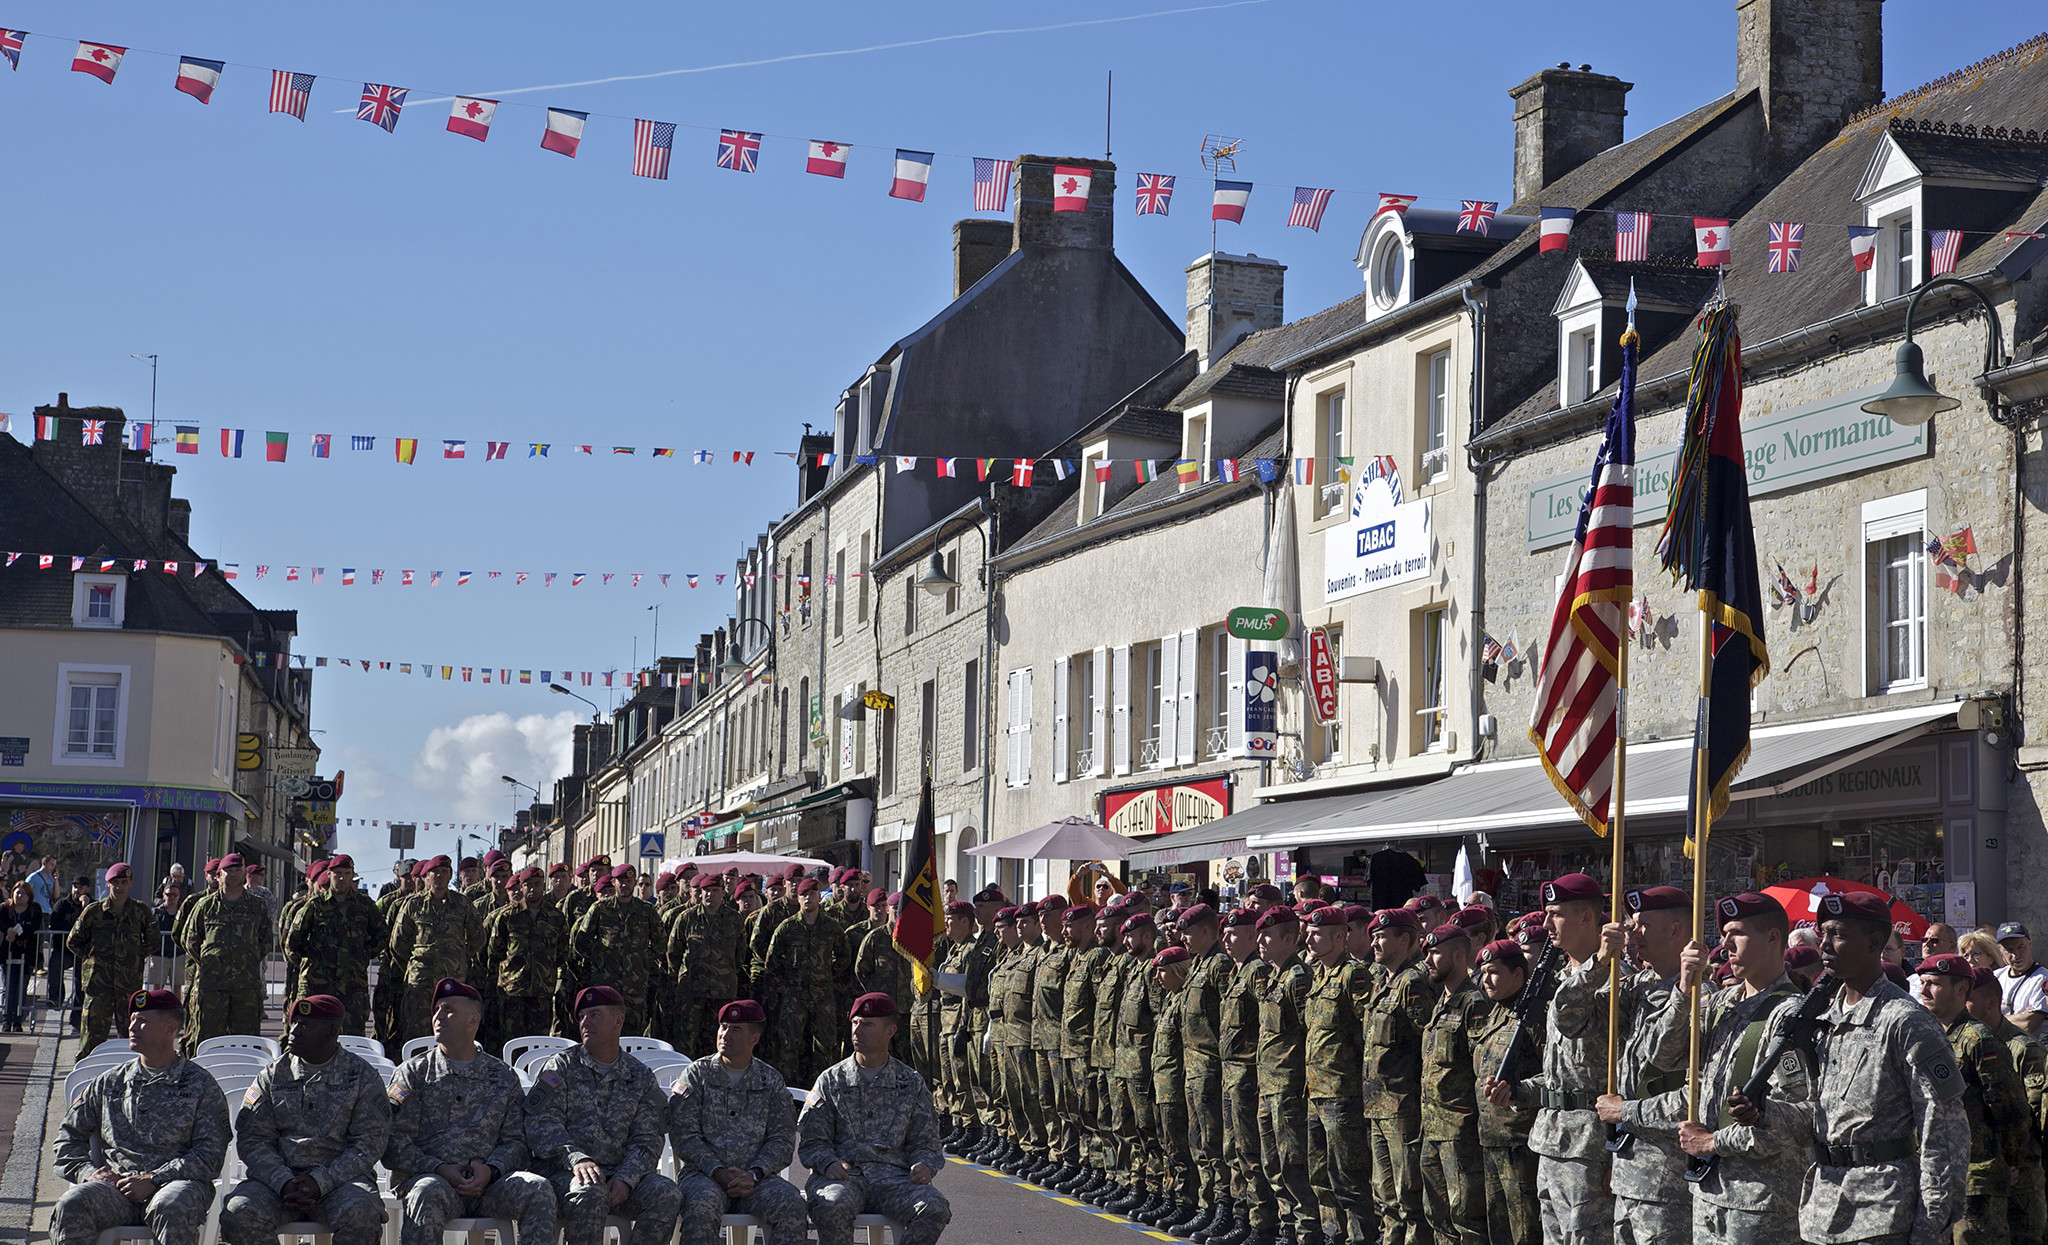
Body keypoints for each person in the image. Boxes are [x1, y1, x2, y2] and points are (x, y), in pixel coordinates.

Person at [1800, 891, 1969, 1245]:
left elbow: (1944, 1133)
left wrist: (1931, 1227)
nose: (1825, 946)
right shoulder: (1826, 1018)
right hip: (1823, 1210)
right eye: (1823, 934)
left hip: (1881, 1214)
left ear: (1875, 942)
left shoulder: (1907, 1021)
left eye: (1838, 934)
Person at [1661, 893, 1811, 1245]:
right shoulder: (1718, 1003)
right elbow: (1663, 1056)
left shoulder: (1792, 1014)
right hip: (1708, 1193)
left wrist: (1714, 1141)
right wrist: (1683, 990)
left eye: (1737, 933)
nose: (1724, 944)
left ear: (1773, 937)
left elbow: (1796, 1118)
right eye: (1724, 933)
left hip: (1761, 1202)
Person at [1485, 872, 1612, 1245]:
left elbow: (1626, 1074)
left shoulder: (1615, 981)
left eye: (1555, 913)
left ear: (1586, 917)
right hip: (1551, 1140)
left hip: (1592, 1146)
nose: (1545, 923)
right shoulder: (1556, 979)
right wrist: (1519, 1090)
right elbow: (1564, 1072)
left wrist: (1616, 1152)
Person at [384, 978, 557, 1245]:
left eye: (449, 1009)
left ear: (473, 1020)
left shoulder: (502, 1077)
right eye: (437, 1009)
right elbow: (392, 1141)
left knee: (538, 1188)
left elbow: (518, 1142)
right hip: (434, 1182)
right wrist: (439, 1168)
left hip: (490, 1186)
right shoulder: (412, 1074)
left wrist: (491, 1170)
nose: (439, 1016)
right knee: (425, 1191)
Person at [50, 989, 231, 1245]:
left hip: (176, 1185)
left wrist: (155, 1178)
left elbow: (210, 1155)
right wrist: (88, 1173)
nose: (132, 1027)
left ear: (170, 1028)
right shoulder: (110, 1082)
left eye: (143, 1021)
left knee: (172, 1206)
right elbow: (67, 1140)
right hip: (117, 1189)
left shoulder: (201, 1085)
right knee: (72, 1204)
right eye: (132, 1019)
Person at [220, 995, 392, 1245]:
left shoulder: (361, 1076)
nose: (294, 1032)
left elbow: (369, 1144)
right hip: (278, 1183)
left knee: (363, 1213)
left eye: (305, 1025)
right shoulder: (273, 1075)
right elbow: (253, 1139)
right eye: (294, 1023)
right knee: (239, 1212)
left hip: (341, 1182)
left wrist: (319, 1181)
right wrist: (283, 1181)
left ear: (332, 1031)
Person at [525, 986, 682, 1245]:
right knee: (590, 1191)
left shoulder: (640, 1077)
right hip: (563, 1174)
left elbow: (649, 1138)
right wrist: (577, 1159)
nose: (586, 1022)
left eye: (595, 1015)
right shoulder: (560, 1067)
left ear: (618, 1021)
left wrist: (626, 1177)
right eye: (582, 1016)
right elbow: (540, 1124)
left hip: (619, 1175)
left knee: (667, 1193)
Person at [797, 992, 951, 1245]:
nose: (858, 1030)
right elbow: (812, 1140)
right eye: (855, 1023)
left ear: (890, 1031)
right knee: (832, 1205)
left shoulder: (909, 1083)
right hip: (844, 1179)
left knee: (934, 1207)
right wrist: (828, 1162)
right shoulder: (831, 1080)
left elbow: (926, 1142)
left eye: (867, 1025)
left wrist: (924, 1164)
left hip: (894, 1179)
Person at [1592, 887, 1696, 1245]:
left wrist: (1626, 1112)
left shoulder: (1701, 994)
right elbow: (1575, 1018)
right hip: (1630, 1168)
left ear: (1675, 930)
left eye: (1643, 925)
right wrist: (1601, 960)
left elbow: (1664, 1058)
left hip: (1667, 1172)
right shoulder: (1636, 988)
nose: (1632, 934)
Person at [669, 998, 808, 1245]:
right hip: (704, 1176)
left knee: (792, 1205)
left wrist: (754, 1173)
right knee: (701, 1206)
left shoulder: (770, 1080)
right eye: (723, 1026)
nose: (725, 1034)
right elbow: (684, 1135)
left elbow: (782, 1140)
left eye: (736, 1029)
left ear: (754, 1038)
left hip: (756, 1179)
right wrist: (718, 1171)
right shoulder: (697, 1074)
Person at [1921, 953, 2031, 1245]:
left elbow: (2009, 1107)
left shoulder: (1978, 1039)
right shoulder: (1927, 1036)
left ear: (1960, 989)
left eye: (1932, 983)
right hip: (1936, 1175)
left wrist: (2011, 1159)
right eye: (1922, 982)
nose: (1923, 991)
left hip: (1976, 1176)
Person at [1302, 906, 1374, 1245]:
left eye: (1317, 933)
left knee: (1349, 1178)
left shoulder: (1353, 975)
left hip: (1342, 1093)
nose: (1309, 938)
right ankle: (1332, 1235)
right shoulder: (1318, 974)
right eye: (1308, 932)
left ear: (1339, 936)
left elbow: (1368, 1031)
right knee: (1319, 1174)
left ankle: (1359, 1238)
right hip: (1315, 1091)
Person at [1362, 907, 1432, 1245]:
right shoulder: (1384, 980)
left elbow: (1428, 1045)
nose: (1374, 942)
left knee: (1409, 1194)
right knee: (1384, 1192)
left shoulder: (1413, 982)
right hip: (1378, 1104)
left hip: (1403, 1106)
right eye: (1373, 935)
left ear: (1404, 939)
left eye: (1381, 936)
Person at [1967, 965, 2048, 1245]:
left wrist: (2013, 1161)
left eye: (1968, 996)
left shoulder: (2023, 1048)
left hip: (2021, 1179)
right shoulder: (1964, 1044)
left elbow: (2036, 1114)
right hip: (1986, 1173)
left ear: (1990, 1002)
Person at [1419, 922, 1488, 1245]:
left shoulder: (1474, 1003)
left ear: (1459, 955)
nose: (1428, 960)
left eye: (1435, 953)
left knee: (1466, 1217)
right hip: (1432, 1125)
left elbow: (1483, 1068)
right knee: (1437, 1213)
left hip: (1459, 1130)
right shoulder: (1442, 1001)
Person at [1253, 906, 1318, 1245]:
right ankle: (1286, 1227)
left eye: (1268, 935)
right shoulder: (1274, 975)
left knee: (1293, 1164)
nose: (1260, 940)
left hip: (1289, 1087)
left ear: (1290, 939)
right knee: (1271, 1163)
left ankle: (1306, 1232)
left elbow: (1311, 1032)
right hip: (1268, 1084)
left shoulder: (1298, 978)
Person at [1471, 940, 1541, 1245]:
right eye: (1483, 972)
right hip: (1492, 1136)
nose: (1486, 979)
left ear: (1518, 974)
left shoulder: (1534, 1015)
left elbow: (1551, 1074)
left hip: (1520, 1141)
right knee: (1498, 1227)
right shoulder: (1495, 1012)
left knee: (1524, 1229)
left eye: (1494, 972)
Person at [179, 853, 275, 1048]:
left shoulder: (257, 906)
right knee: (208, 1041)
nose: (233, 874)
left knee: (246, 1042)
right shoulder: (205, 906)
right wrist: (209, 962)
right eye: (228, 871)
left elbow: (265, 940)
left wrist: (248, 959)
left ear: (244, 873)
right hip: (211, 986)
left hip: (246, 986)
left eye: (238, 870)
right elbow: (189, 939)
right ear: (218, 875)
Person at [387, 856, 487, 1041]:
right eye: (435, 872)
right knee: (417, 1033)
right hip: (420, 983)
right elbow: (397, 943)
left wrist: (460, 958)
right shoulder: (413, 904)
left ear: (450, 876)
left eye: (444, 872)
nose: (439, 876)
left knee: (453, 1031)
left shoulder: (462, 904)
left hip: (453, 981)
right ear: (427, 876)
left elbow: (478, 937)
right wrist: (414, 965)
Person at [288, 854, 386, 1037]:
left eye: (346, 873)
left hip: (352, 983)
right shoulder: (315, 905)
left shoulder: (365, 906)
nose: (341, 878)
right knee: (312, 1033)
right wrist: (315, 958)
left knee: (352, 1035)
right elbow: (294, 941)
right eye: (337, 873)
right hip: (318, 983)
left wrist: (363, 955)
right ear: (329, 874)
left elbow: (381, 935)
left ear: (352, 875)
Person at [767, 877, 852, 1087]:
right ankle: (790, 1092)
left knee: (825, 1045)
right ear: (798, 897)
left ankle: (822, 1089)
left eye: (812, 894)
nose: (808, 898)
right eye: (804, 894)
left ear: (818, 897)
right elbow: (772, 960)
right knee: (790, 1046)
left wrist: (828, 974)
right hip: (794, 996)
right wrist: (787, 982)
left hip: (823, 995)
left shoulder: (831, 927)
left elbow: (844, 956)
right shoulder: (787, 927)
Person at [67, 862, 155, 1057]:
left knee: (131, 1040)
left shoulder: (140, 912)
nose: (119, 887)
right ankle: (86, 1081)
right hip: (99, 986)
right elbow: (73, 941)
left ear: (131, 883)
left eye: (124, 882)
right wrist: (93, 960)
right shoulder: (93, 911)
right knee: (91, 1040)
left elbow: (153, 940)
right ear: (108, 884)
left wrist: (134, 958)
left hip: (128, 986)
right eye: (115, 882)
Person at [485, 867, 565, 1047]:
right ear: (520, 887)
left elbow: (562, 953)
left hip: (542, 992)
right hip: (512, 992)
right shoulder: (508, 917)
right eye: (528, 885)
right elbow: (494, 953)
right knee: (511, 1044)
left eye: (537, 885)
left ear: (544, 886)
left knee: (539, 1044)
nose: (532, 889)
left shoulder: (556, 917)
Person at [49, 874, 92, 1028]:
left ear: (87, 889)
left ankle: (76, 1019)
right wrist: (74, 929)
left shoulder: (92, 905)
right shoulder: (62, 904)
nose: (76, 890)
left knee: (81, 983)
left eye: (80, 887)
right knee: (54, 965)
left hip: (83, 951)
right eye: (75, 886)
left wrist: (84, 908)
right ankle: (55, 997)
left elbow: (91, 926)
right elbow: (55, 923)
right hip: (64, 949)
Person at [4, 878, 46, 1031]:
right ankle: (7, 1020)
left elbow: (33, 926)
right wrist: (8, 932)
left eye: (23, 893)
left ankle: (18, 1021)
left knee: (21, 987)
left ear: (29, 896)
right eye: (17, 892)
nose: (20, 895)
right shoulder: (4, 908)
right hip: (7, 954)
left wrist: (17, 933)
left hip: (27, 953)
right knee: (9, 986)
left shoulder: (35, 910)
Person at [1998, 923, 2048, 1036]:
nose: (2016, 955)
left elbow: (2029, 1023)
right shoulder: (1996, 976)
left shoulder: (2043, 979)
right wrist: (2018, 1016)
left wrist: (1993, 1018)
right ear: (2001, 951)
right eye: (2009, 950)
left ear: (2029, 945)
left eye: (2020, 947)